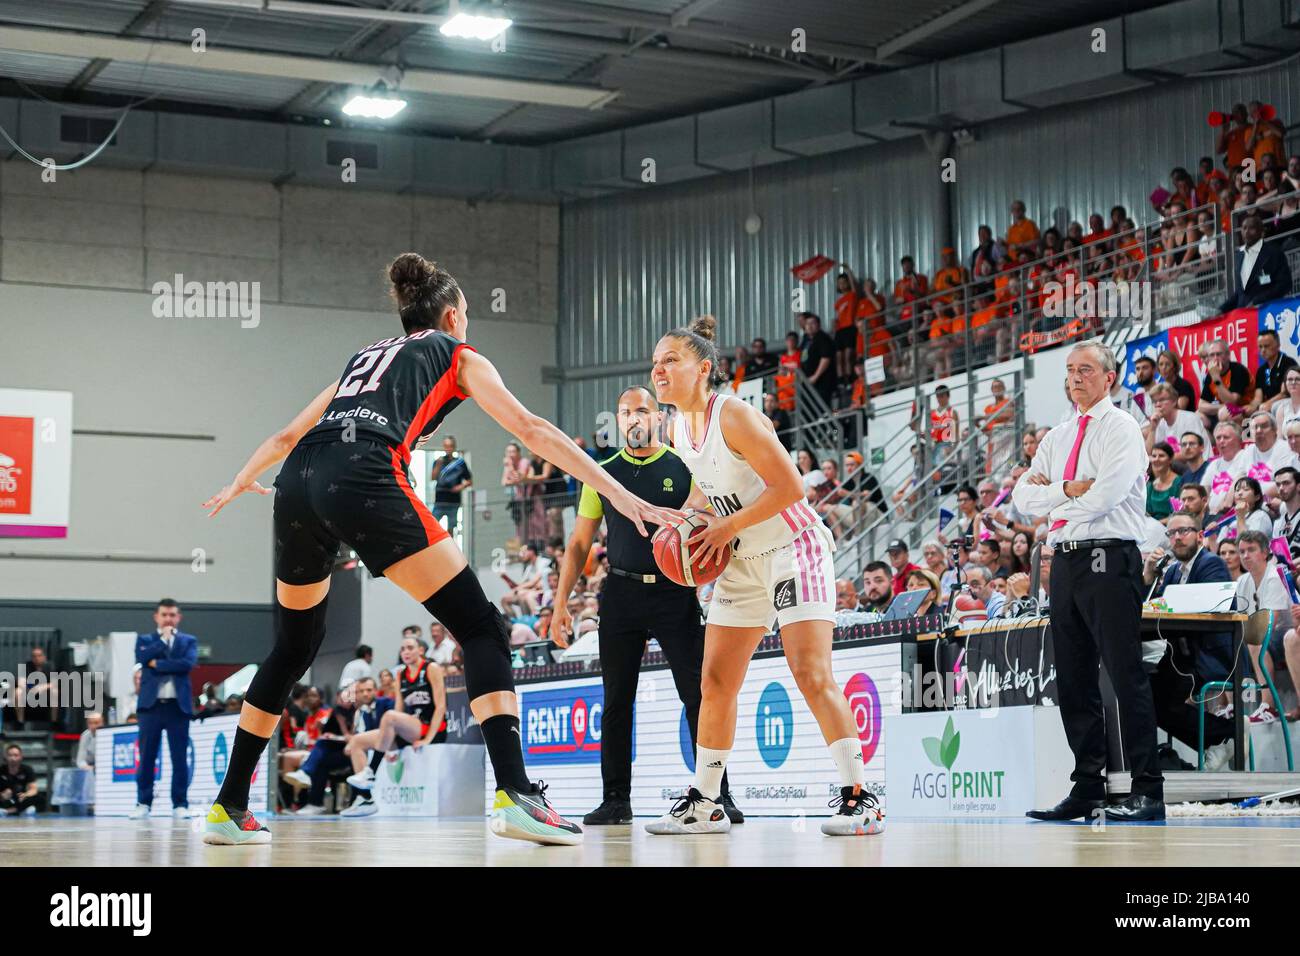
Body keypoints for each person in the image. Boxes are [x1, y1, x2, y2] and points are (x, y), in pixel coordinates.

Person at [198, 253, 674, 846]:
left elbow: (287, 437)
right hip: (363, 473)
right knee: (481, 627)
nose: (469, 323)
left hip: (297, 481)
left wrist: (241, 480)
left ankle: (229, 807)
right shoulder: (455, 353)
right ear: (453, 316)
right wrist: (619, 493)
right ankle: (516, 794)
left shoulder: (363, 358)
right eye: (468, 313)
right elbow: (532, 431)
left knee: (294, 646)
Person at [645, 314, 882, 836]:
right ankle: (707, 802)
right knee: (715, 682)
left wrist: (721, 524)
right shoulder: (676, 428)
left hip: (792, 548)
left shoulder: (733, 415)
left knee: (810, 672)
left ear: (703, 368)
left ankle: (860, 799)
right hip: (740, 557)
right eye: (656, 363)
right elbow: (709, 491)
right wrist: (684, 520)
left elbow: (791, 488)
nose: (659, 371)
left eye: (671, 361)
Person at [552, 385, 739, 825]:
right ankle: (616, 800)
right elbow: (580, 543)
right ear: (617, 421)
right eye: (625, 412)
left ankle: (717, 796)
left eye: (642, 410)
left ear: (658, 417)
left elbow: (711, 524)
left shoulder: (684, 465)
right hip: (620, 593)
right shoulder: (601, 472)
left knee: (697, 694)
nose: (634, 418)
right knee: (617, 700)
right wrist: (560, 602)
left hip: (674, 593)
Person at [1014, 341, 1164, 822]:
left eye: (1086, 370)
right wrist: (1063, 491)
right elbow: (1021, 497)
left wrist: (1054, 506)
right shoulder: (1057, 437)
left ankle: (1147, 789)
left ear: (1109, 378)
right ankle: (1087, 786)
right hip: (1065, 562)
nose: (1075, 378)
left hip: (1108, 556)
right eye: (1070, 371)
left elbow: (1105, 498)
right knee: (1074, 681)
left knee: (1124, 674)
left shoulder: (1121, 429)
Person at [1140, 514, 1236, 769]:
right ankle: (1221, 736)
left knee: (1151, 698)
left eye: (1184, 531)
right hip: (1180, 656)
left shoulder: (1211, 563)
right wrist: (1148, 575)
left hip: (1208, 654)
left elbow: (1208, 606)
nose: (1177, 538)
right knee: (1144, 697)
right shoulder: (1171, 571)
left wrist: (1166, 606)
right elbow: (1154, 608)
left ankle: (1225, 734)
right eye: (1171, 534)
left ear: (1200, 535)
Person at [345, 635, 448, 793]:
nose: (405, 652)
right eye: (402, 649)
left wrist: (428, 739)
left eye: (410, 648)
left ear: (421, 650)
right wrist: (385, 744)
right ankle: (365, 799)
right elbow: (399, 708)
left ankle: (371, 772)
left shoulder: (431, 668)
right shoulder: (400, 674)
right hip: (408, 729)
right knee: (357, 741)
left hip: (430, 729)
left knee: (390, 716)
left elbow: (441, 706)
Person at [130, 598, 197, 820]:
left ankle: (180, 804)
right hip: (151, 707)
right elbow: (141, 658)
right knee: (147, 757)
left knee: (179, 758)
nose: (168, 619)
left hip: (177, 708)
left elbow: (187, 665)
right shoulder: (145, 639)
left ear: (178, 617)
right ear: (156, 617)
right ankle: (143, 803)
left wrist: (157, 664)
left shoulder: (188, 640)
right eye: (164, 615)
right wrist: (162, 642)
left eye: (172, 615)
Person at [1220, 213, 1292, 311]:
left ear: (1261, 231)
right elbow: (1240, 294)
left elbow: (1285, 284)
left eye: (1251, 228)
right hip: (1244, 316)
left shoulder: (1274, 253)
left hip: (1267, 312)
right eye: (1244, 228)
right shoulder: (1238, 256)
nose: (1246, 232)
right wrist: (1221, 309)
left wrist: (1258, 301)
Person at [1197, 340, 1253, 433]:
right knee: (1197, 417)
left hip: (1245, 411)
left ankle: (1236, 443)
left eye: (1219, 354)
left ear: (1228, 355)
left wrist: (1216, 378)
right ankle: (1213, 444)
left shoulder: (1238, 370)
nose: (1215, 358)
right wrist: (1222, 406)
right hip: (1223, 410)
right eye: (1212, 355)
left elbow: (1231, 402)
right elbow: (1201, 405)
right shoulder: (1210, 374)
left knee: (1225, 413)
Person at [1144, 382, 1208, 453]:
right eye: (1155, 402)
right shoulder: (1158, 423)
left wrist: (1165, 458)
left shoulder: (1190, 418)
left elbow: (1192, 451)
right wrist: (1152, 429)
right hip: (1170, 463)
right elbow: (1148, 454)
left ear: (1174, 401)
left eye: (1162, 400)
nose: (1158, 404)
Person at [429, 435, 472, 531]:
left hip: (453, 501)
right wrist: (438, 465)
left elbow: (469, 481)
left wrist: (460, 487)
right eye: (446, 446)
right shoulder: (438, 461)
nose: (448, 448)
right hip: (439, 500)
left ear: (454, 447)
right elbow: (433, 478)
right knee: (433, 526)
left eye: (450, 446)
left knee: (451, 528)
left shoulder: (460, 463)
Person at [0, 743, 44, 816]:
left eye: (15, 755)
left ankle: (7, 811)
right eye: (10, 755)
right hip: (5, 800)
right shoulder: (1, 770)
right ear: (6, 757)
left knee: (40, 798)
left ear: (20, 757)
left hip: (20, 798)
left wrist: (25, 794)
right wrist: (2, 796)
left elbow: (33, 789)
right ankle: (22, 811)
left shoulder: (27, 769)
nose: (13, 758)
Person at [1145, 443, 1182, 521]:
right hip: (1151, 527)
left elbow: (1180, 513)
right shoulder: (1150, 485)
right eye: (1154, 456)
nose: (1156, 459)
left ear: (1170, 459)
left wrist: (1158, 524)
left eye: (1161, 456)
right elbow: (1146, 512)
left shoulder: (1179, 483)